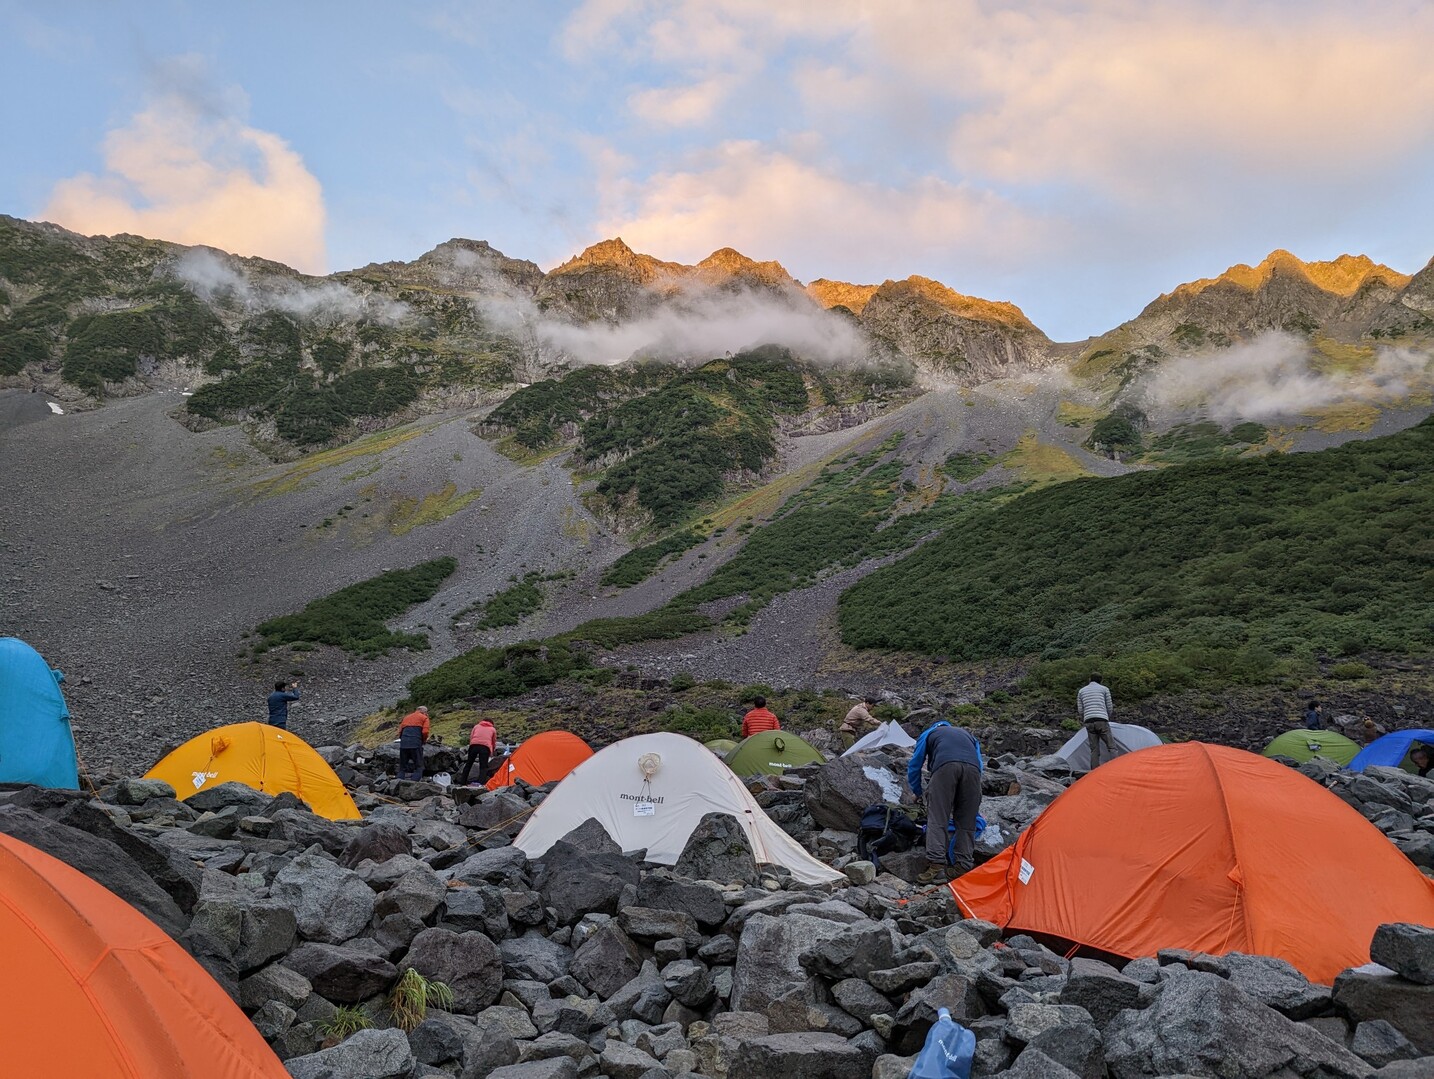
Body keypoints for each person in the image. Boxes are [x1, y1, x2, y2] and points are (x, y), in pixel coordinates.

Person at [907, 718, 984, 883]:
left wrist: (917, 791)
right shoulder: (968, 735)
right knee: (966, 820)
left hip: (945, 767)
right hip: (973, 772)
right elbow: (979, 763)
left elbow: (915, 763)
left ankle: (936, 866)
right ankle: (963, 865)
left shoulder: (930, 733)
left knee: (937, 817)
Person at [1076, 673, 1115, 769]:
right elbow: (1109, 707)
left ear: (1090, 679)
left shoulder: (1081, 691)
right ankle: (1115, 767)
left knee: (1094, 749)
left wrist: (1086, 717)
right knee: (1111, 747)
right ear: (1101, 680)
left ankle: (1094, 771)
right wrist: (1106, 716)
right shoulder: (1104, 689)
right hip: (1102, 719)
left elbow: (1080, 710)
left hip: (1088, 721)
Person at [397, 706, 430, 781]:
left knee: (402, 767)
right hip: (415, 743)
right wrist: (423, 740)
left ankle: (397, 783)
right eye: (426, 712)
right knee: (419, 766)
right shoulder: (424, 718)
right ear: (424, 712)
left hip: (404, 744)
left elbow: (400, 732)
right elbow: (425, 732)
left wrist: (403, 740)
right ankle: (414, 784)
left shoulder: (406, 717)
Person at [461, 717, 497, 786]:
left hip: (474, 745)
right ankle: (481, 783)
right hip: (485, 747)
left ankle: (462, 781)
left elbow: (471, 737)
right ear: (491, 723)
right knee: (483, 766)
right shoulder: (493, 729)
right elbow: (493, 741)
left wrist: (471, 744)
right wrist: (492, 751)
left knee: (469, 764)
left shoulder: (476, 726)